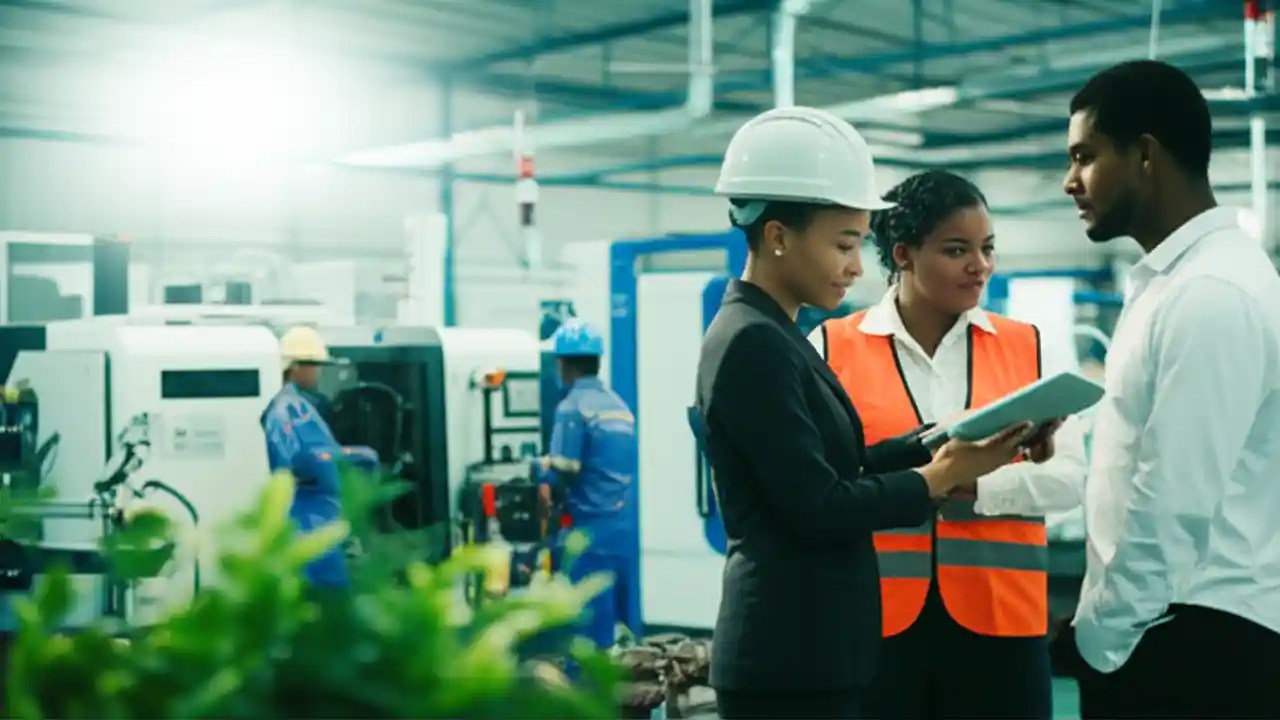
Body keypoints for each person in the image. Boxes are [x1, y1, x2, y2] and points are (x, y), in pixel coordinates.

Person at [694, 106, 1040, 720]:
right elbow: (818, 508)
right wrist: (938, 478)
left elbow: (840, 465)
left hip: (814, 652)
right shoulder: (753, 342)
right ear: (778, 236)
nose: (857, 266)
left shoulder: (773, 333)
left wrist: (943, 442)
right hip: (788, 658)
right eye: (844, 245)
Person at [808, 169, 1087, 719]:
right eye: (957, 249)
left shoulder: (1029, 348)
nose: (979, 264)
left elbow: (1072, 480)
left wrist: (975, 483)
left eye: (987, 248)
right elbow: (821, 486)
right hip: (874, 621)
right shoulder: (830, 348)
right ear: (904, 254)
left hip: (1002, 622)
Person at [1055, 59, 1280, 719]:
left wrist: (1099, 636)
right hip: (1173, 629)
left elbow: (1173, 499)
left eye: (1085, 156)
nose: (1071, 181)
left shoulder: (1210, 292)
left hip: (1194, 642)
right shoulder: (1174, 283)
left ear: (1145, 154)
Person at [537, 318, 641, 650]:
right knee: (625, 632)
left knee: (587, 636)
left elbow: (561, 473)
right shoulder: (619, 407)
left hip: (589, 535)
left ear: (563, 364)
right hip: (623, 530)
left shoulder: (572, 407)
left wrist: (536, 471)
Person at [261, 325, 378, 590]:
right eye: (314, 365)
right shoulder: (287, 408)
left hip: (317, 513)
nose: (318, 372)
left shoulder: (297, 404)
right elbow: (303, 458)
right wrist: (360, 457)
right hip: (311, 515)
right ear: (296, 366)